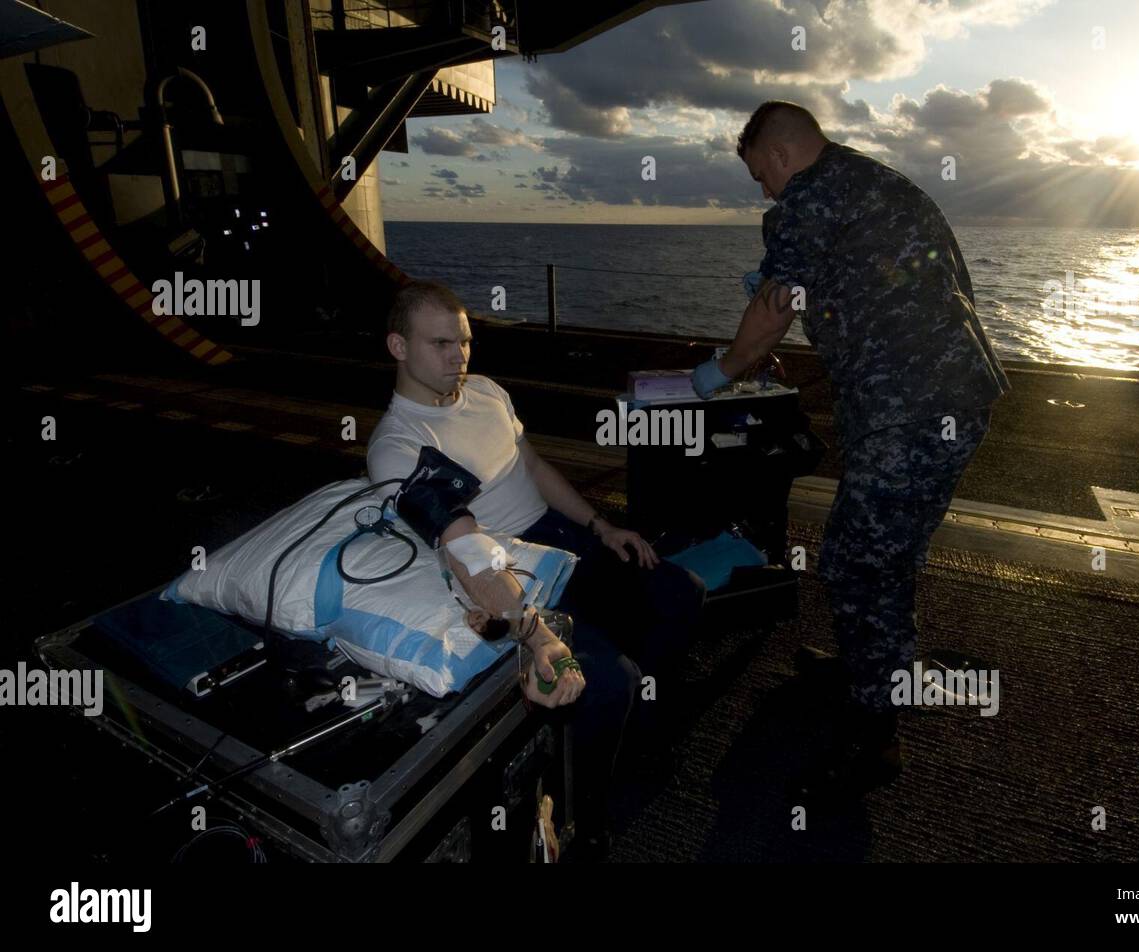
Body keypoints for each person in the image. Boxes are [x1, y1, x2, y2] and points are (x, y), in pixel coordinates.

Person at [691, 101, 1010, 803]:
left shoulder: (808, 196)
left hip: (910, 408)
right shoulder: (878, 183)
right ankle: (871, 666)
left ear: (777, 156)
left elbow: (773, 310)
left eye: (759, 178)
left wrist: (716, 373)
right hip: (946, 393)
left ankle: (874, 736)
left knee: (856, 559)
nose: (765, 193)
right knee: (884, 553)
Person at [368, 280, 704, 854]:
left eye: (466, 342)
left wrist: (601, 526)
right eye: (442, 344)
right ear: (398, 347)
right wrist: (534, 633)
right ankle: (587, 814)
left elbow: (533, 465)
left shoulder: (485, 391)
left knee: (681, 593)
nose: (460, 357)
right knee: (605, 680)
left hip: (560, 536)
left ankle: (640, 727)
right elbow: (466, 550)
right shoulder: (398, 447)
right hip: (511, 568)